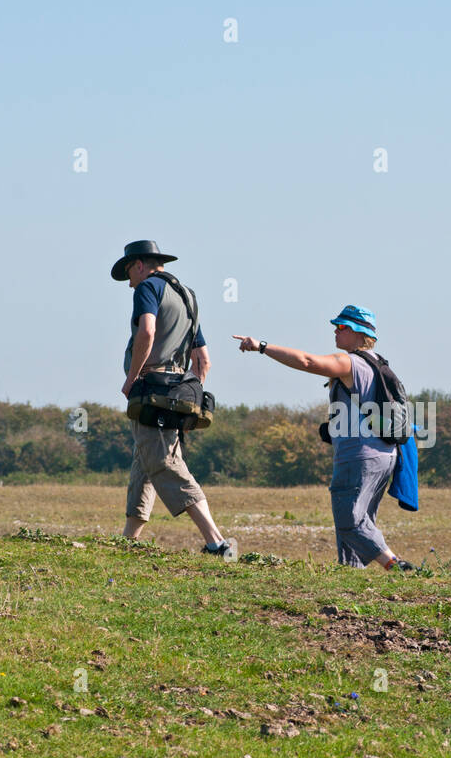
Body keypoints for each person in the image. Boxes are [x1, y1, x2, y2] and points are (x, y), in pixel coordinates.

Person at [233, 305, 413, 570]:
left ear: (358, 333)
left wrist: (261, 346)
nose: (335, 331)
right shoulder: (379, 365)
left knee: (349, 520)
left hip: (359, 457)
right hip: (384, 455)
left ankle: (395, 565)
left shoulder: (350, 362)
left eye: (341, 327)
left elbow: (307, 361)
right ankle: (350, 575)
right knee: (361, 521)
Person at [112, 240, 234, 558]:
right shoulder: (187, 297)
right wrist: (187, 398)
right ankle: (128, 541)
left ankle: (216, 542)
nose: (129, 282)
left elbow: (147, 332)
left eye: (128, 272)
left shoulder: (148, 288)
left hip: (153, 388)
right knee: (145, 460)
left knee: (164, 464)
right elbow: (203, 359)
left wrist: (132, 378)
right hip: (178, 389)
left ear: (139, 264)